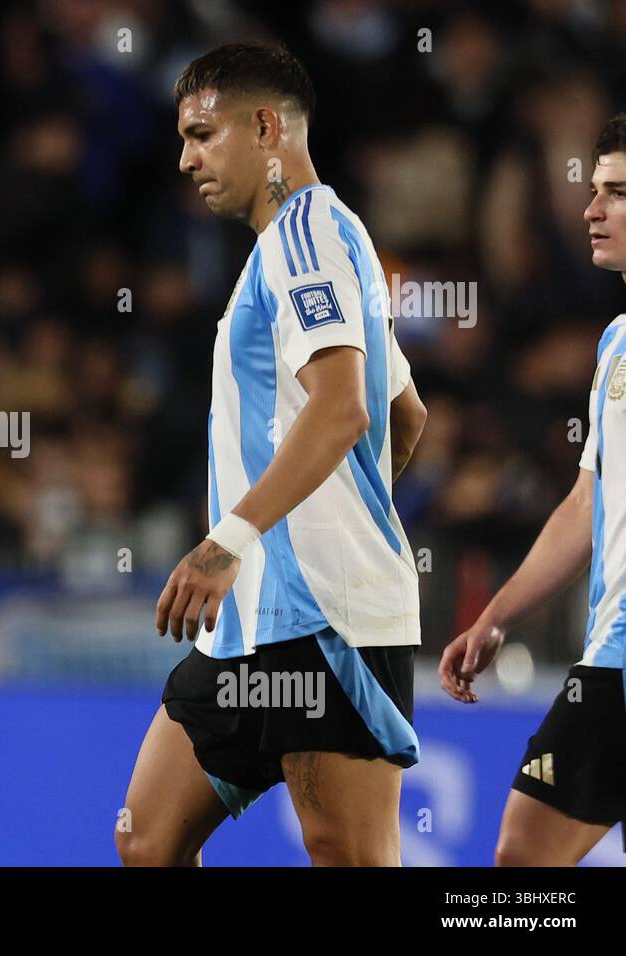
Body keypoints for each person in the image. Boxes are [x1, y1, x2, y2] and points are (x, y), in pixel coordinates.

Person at [117, 42, 427, 867]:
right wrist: (337, 513)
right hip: (249, 626)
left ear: (266, 127)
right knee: (145, 841)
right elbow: (407, 412)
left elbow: (345, 407)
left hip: (326, 620)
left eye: (201, 134)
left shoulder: (305, 235)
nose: (185, 160)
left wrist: (234, 540)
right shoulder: (311, 242)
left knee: (348, 856)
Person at [439, 112, 626, 866]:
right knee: (522, 858)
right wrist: (496, 616)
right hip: (611, 659)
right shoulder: (616, 345)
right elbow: (587, 503)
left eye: (617, 192)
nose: (591, 207)